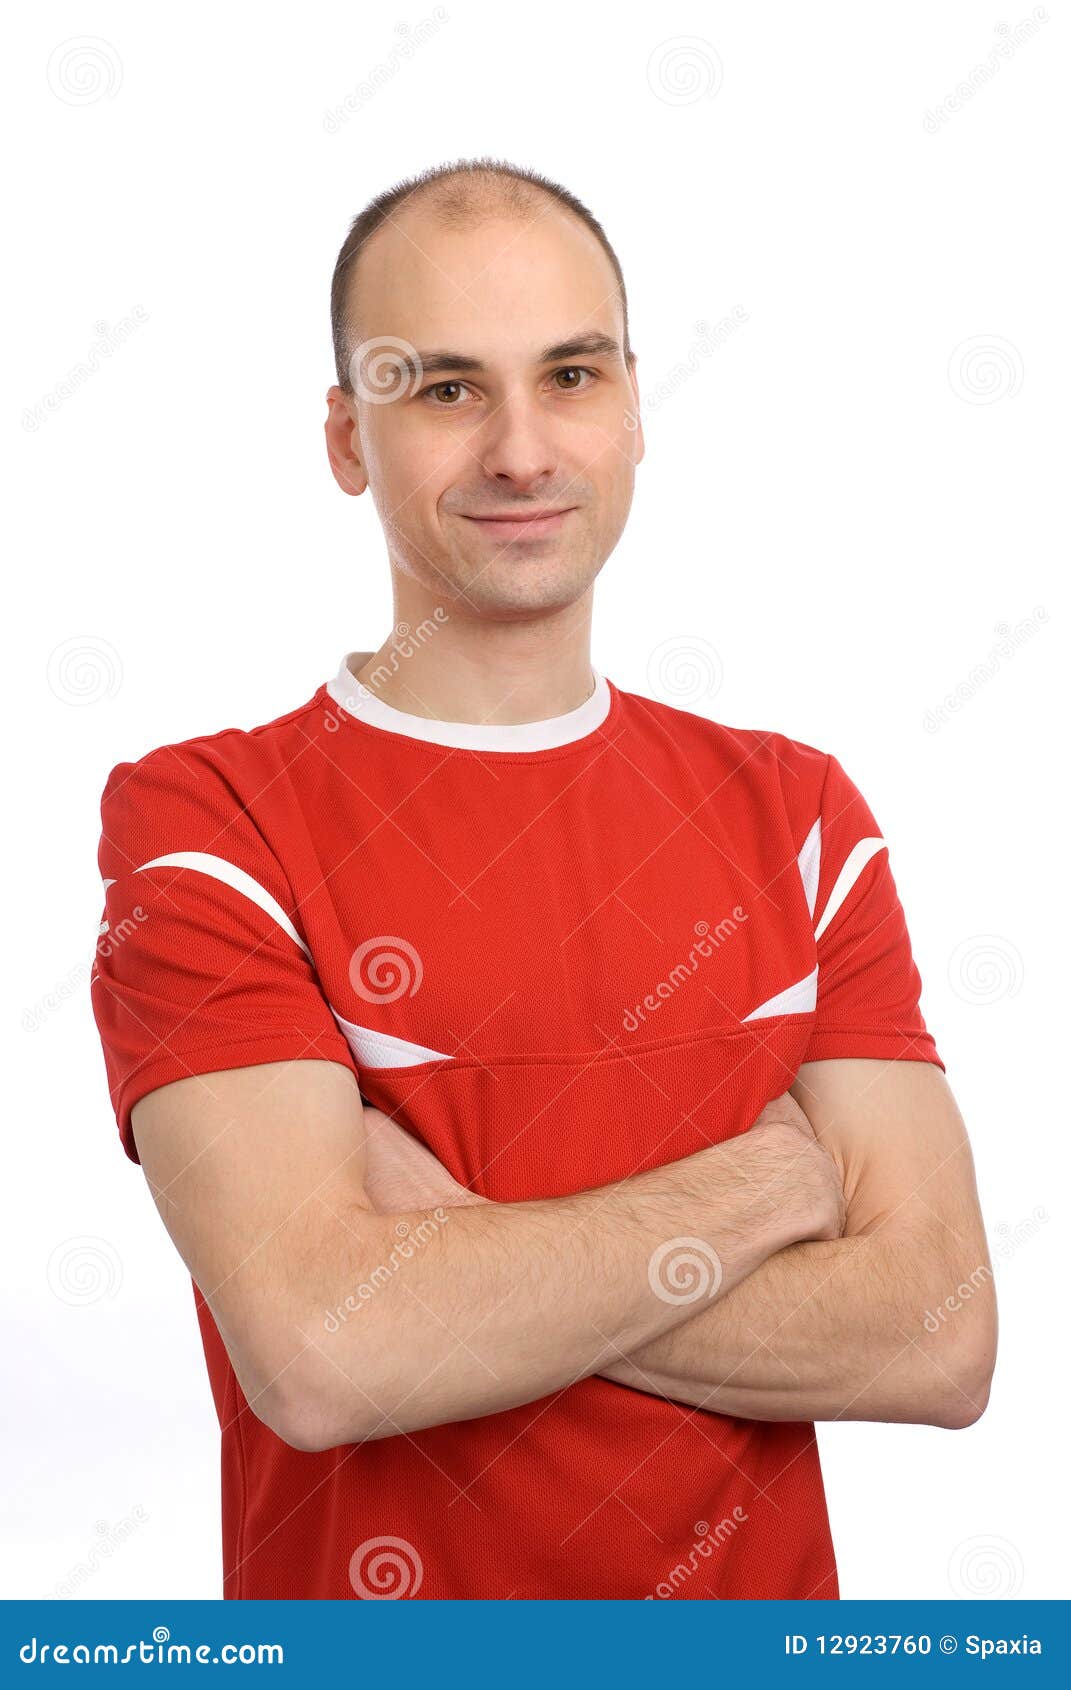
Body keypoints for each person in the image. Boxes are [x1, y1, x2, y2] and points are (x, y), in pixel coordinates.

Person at [90, 157, 996, 1601]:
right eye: (445, 388)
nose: (521, 450)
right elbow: (326, 1353)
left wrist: (448, 1251)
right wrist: (769, 1184)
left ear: (634, 403)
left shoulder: (799, 812)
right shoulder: (208, 820)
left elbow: (939, 1339)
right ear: (345, 435)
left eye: (569, 375)